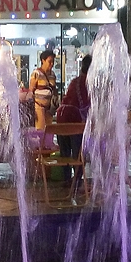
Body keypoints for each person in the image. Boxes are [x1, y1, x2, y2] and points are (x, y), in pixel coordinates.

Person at [55, 54, 91, 185]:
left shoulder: (75, 81)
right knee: (78, 154)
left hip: (61, 118)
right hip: (75, 121)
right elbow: (89, 106)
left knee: (64, 153)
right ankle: (76, 180)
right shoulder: (89, 83)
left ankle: (67, 180)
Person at [28, 48, 58, 129]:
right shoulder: (36, 73)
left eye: (53, 62)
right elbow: (31, 90)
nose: (51, 64)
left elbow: (54, 89)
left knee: (49, 129)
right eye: (49, 61)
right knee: (40, 130)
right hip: (39, 107)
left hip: (49, 108)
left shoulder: (52, 75)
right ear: (43, 61)